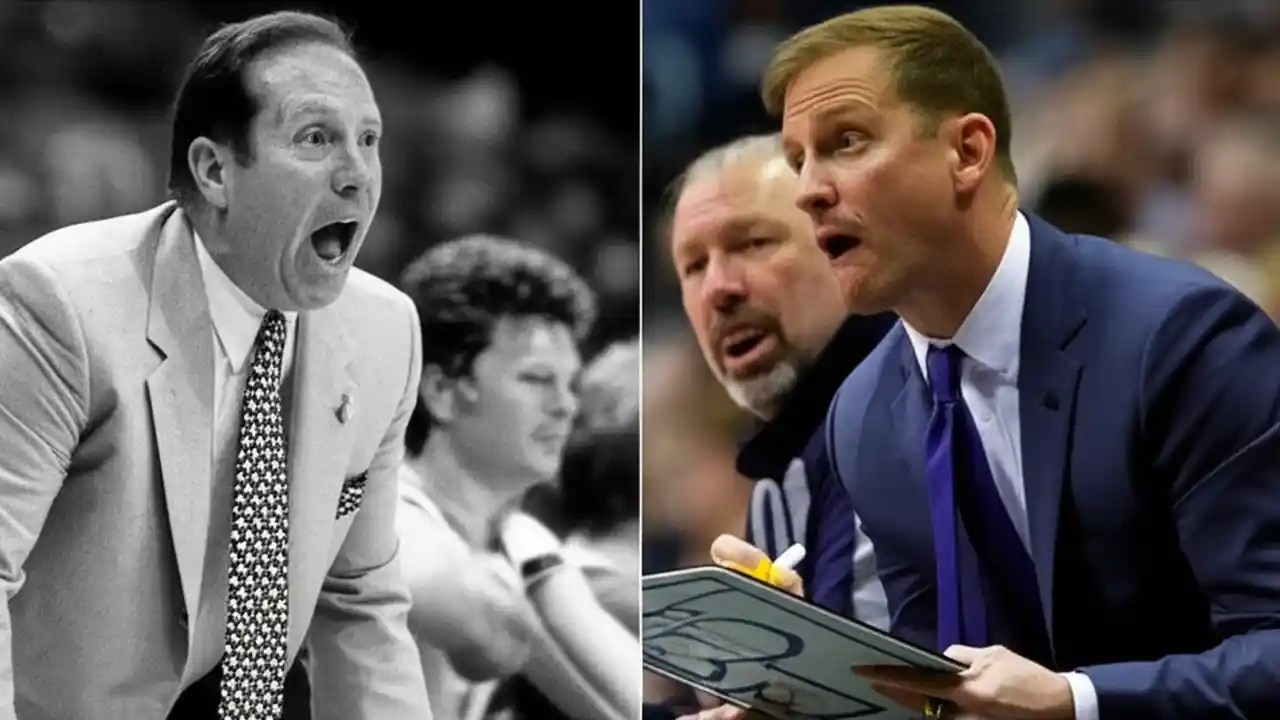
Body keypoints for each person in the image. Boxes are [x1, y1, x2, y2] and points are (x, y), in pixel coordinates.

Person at [725, 5, 1280, 719]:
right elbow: (943, 694)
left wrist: (1076, 702)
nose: (808, 190)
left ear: (967, 152)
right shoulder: (862, 415)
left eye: (847, 142)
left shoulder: (1179, 338)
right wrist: (803, 678)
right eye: (798, 160)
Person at [0, 10, 432, 720]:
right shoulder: (62, 305)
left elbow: (362, 602)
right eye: (316, 138)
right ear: (215, 170)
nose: (357, 176)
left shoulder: (386, 331)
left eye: (369, 140)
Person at [396, 235, 636, 720]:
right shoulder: (385, 506)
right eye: (535, 378)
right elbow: (458, 603)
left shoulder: (524, 541)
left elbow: (628, 697)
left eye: (570, 384)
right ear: (442, 390)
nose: (565, 404)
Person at [662, 132, 895, 621]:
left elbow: (907, 690)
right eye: (694, 266)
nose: (719, 289)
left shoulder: (913, 409)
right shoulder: (777, 479)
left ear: (841, 244)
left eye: (753, 243)